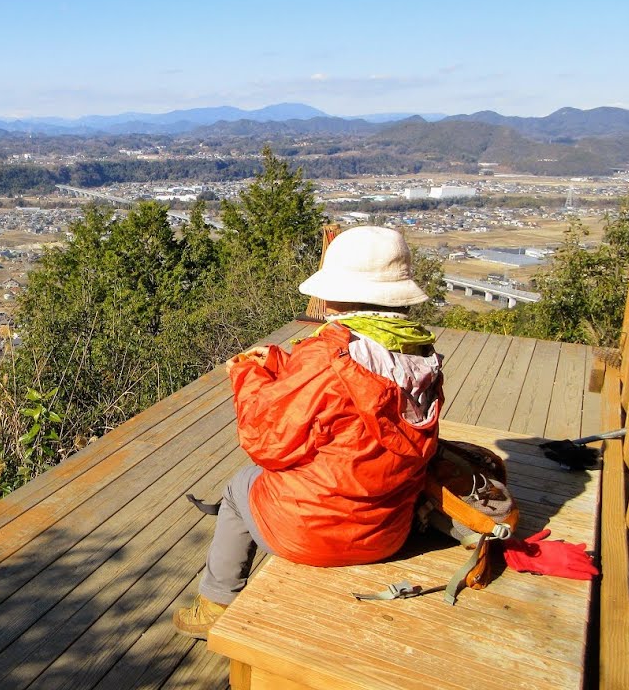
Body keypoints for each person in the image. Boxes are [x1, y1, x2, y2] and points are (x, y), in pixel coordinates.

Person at [172, 225, 445, 639]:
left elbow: (266, 442)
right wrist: (284, 362)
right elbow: (356, 392)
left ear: (338, 293)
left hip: (315, 532)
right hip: (388, 530)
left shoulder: (327, 355)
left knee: (239, 486)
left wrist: (247, 374)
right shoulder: (420, 353)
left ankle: (215, 603)